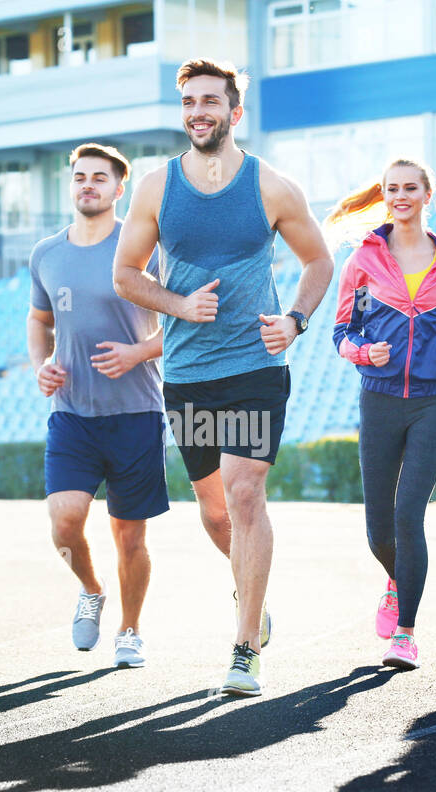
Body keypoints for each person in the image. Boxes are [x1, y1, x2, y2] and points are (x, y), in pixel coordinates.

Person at [113, 58, 334, 697]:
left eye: (210, 100)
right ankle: (252, 600)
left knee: (244, 495)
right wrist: (180, 306)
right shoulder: (156, 188)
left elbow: (318, 261)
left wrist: (295, 321)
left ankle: (243, 648)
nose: (198, 111)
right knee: (215, 515)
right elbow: (125, 275)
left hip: (255, 366)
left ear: (235, 112)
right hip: (186, 373)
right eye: (188, 102)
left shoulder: (273, 188)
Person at [325, 158, 436, 670]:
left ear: (426, 195)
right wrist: (361, 352)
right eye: (392, 188)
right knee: (378, 529)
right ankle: (395, 580)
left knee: (408, 514)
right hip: (379, 400)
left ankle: (406, 633)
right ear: (384, 195)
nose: (400, 195)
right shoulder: (362, 261)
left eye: (409, 188)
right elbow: (341, 333)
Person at [28, 142, 168, 669]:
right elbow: (39, 320)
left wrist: (138, 352)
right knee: (64, 523)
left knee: (129, 534)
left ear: (118, 188)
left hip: (136, 413)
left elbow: (183, 318)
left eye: (99, 178)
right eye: (80, 176)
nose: (88, 184)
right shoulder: (47, 253)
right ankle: (91, 588)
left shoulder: (144, 248)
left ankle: (130, 631)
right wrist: (40, 365)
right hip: (71, 413)